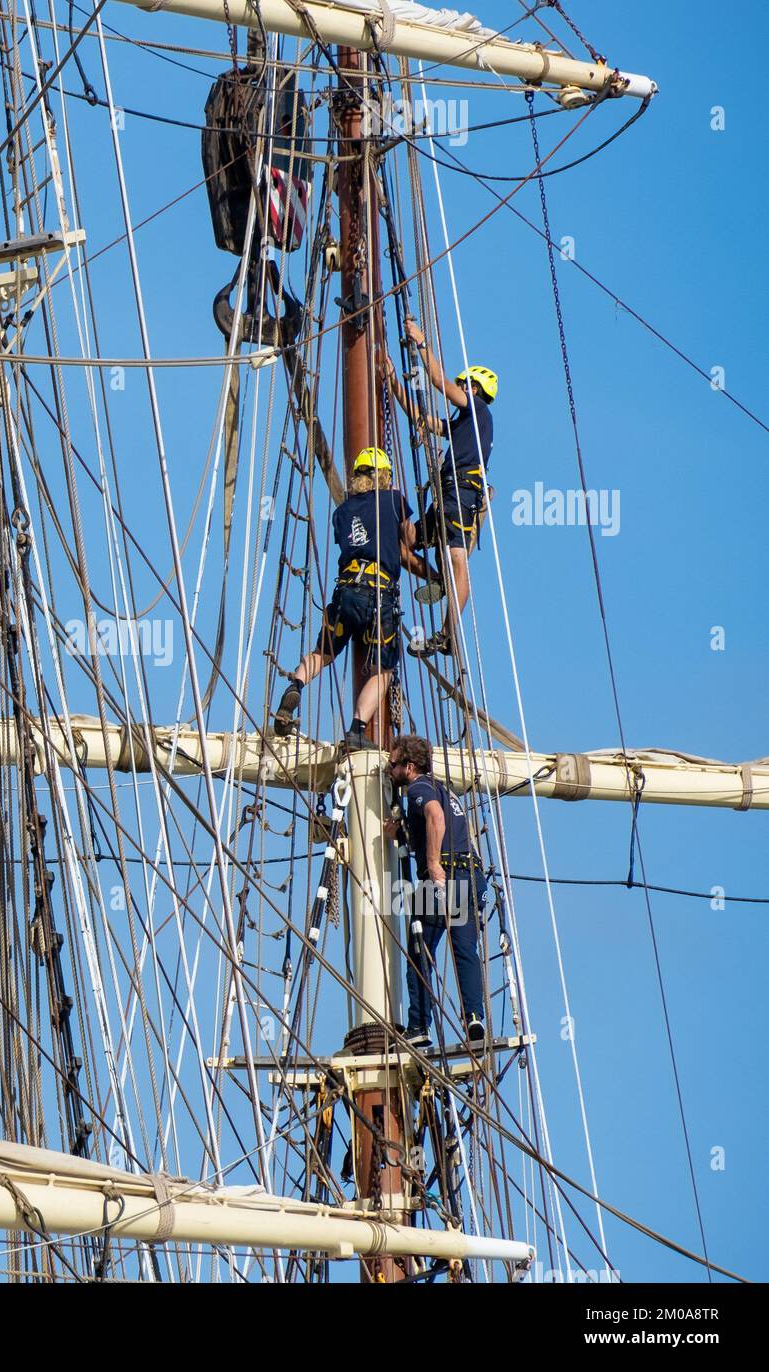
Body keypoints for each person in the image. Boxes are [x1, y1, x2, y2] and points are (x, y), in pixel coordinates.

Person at [272, 448, 434, 750]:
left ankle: (294, 686)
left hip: (346, 591)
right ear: (385, 475)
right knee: (384, 671)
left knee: (324, 651)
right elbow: (408, 545)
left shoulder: (342, 511)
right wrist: (435, 572)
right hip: (379, 595)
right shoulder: (394, 499)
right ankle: (358, 730)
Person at [377, 321, 497, 658]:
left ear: (474, 388)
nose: (460, 388)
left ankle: (446, 634)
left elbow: (436, 380)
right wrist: (394, 383)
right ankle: (440, 582)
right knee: (403, 542)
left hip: (460, 493)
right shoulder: (464, 425)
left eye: (464, 386)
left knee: (458, 561)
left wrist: (421, 341)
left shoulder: (477, 408)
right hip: (446, 495)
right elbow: (421, 418)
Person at [385, 733, 487, 1047]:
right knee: (464, 951)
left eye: (393, 764)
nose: (389, 769)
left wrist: (432, 863)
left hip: (446, 877)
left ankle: (418, 1027)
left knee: (420, 951)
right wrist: (400, 832)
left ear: (409, 766)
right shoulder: (442, 789)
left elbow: (434, 817)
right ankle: (474, 1018)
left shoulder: (418, 789)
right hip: (471, 876)